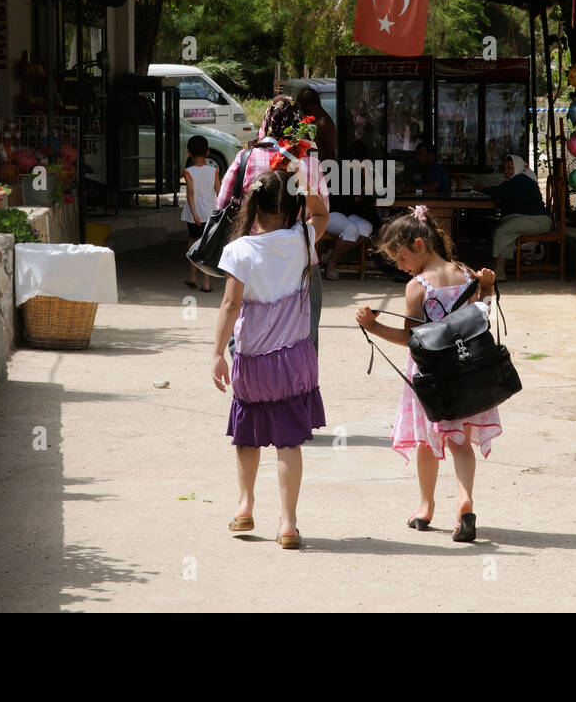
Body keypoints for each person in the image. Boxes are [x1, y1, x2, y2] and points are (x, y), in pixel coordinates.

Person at [355, 207, 498, 542]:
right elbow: (481, 315)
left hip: (430, 376)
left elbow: (411, 338)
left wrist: (373, 326)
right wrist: (487, 287)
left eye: (401, 258)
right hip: (465, 370)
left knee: (425, 442)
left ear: (419, 244)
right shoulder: (465, 273)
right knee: (460, 441)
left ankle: (425, 507)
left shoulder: (417, 287)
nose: (401, 266)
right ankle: (465, 499)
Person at [213, 169, 325, 549]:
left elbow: (230, 305)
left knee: (247, 437)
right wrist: (303, 176)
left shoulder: (239, 250)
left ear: (253, 205)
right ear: (292, 204)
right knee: (288, 443)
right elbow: (321, 214)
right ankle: (289, 524)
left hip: (252, 360)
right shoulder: (302, 238)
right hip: (295, 360)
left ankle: (244, 506)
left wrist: (216, 354)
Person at [216, 95, 330, 348]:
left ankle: (249, 379)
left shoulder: (244, 159)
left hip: (251, 262)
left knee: (245, 328)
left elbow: (222, 205)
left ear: (267, 120)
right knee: (303, 338)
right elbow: (322, 213)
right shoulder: (309, 164)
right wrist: (297, 243)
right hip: (301, 264)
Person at [473, 154, 550, 280]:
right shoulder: (516, 180)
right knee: (502, 227)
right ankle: (498, 266)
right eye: (505, 169)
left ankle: (499, 271)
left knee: (503, 230)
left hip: (538, 221)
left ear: (518, 167)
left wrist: (483, 189)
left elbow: (499, 192)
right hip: (528, 219)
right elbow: (501, 190)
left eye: (510, 168)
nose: (507, 172)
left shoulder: (521, 180)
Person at [323, 140, 380, 280]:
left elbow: (369, 192)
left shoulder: (359, 174)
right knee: (351, 230)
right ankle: (331, 263)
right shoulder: (338, 171)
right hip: (330, 213)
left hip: (346, 214)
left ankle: (331, 253)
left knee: (366, 228)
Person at [182, 135, 221, 293]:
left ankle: (192, 277)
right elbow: (219, 192)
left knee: (193, 243)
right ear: (207, 152)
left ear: (189, 153)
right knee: (207, 245)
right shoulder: (214, 171)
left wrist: (194, 213)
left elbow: (190, 194)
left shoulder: (188, 172)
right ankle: (206, 282)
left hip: (194, 215)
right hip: (210, 213)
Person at [295, 87, 337, 166]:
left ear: (310, 105)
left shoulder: (323, 123)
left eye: (302, 107)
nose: (302, 111)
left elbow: (330, 153)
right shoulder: (313, 121)